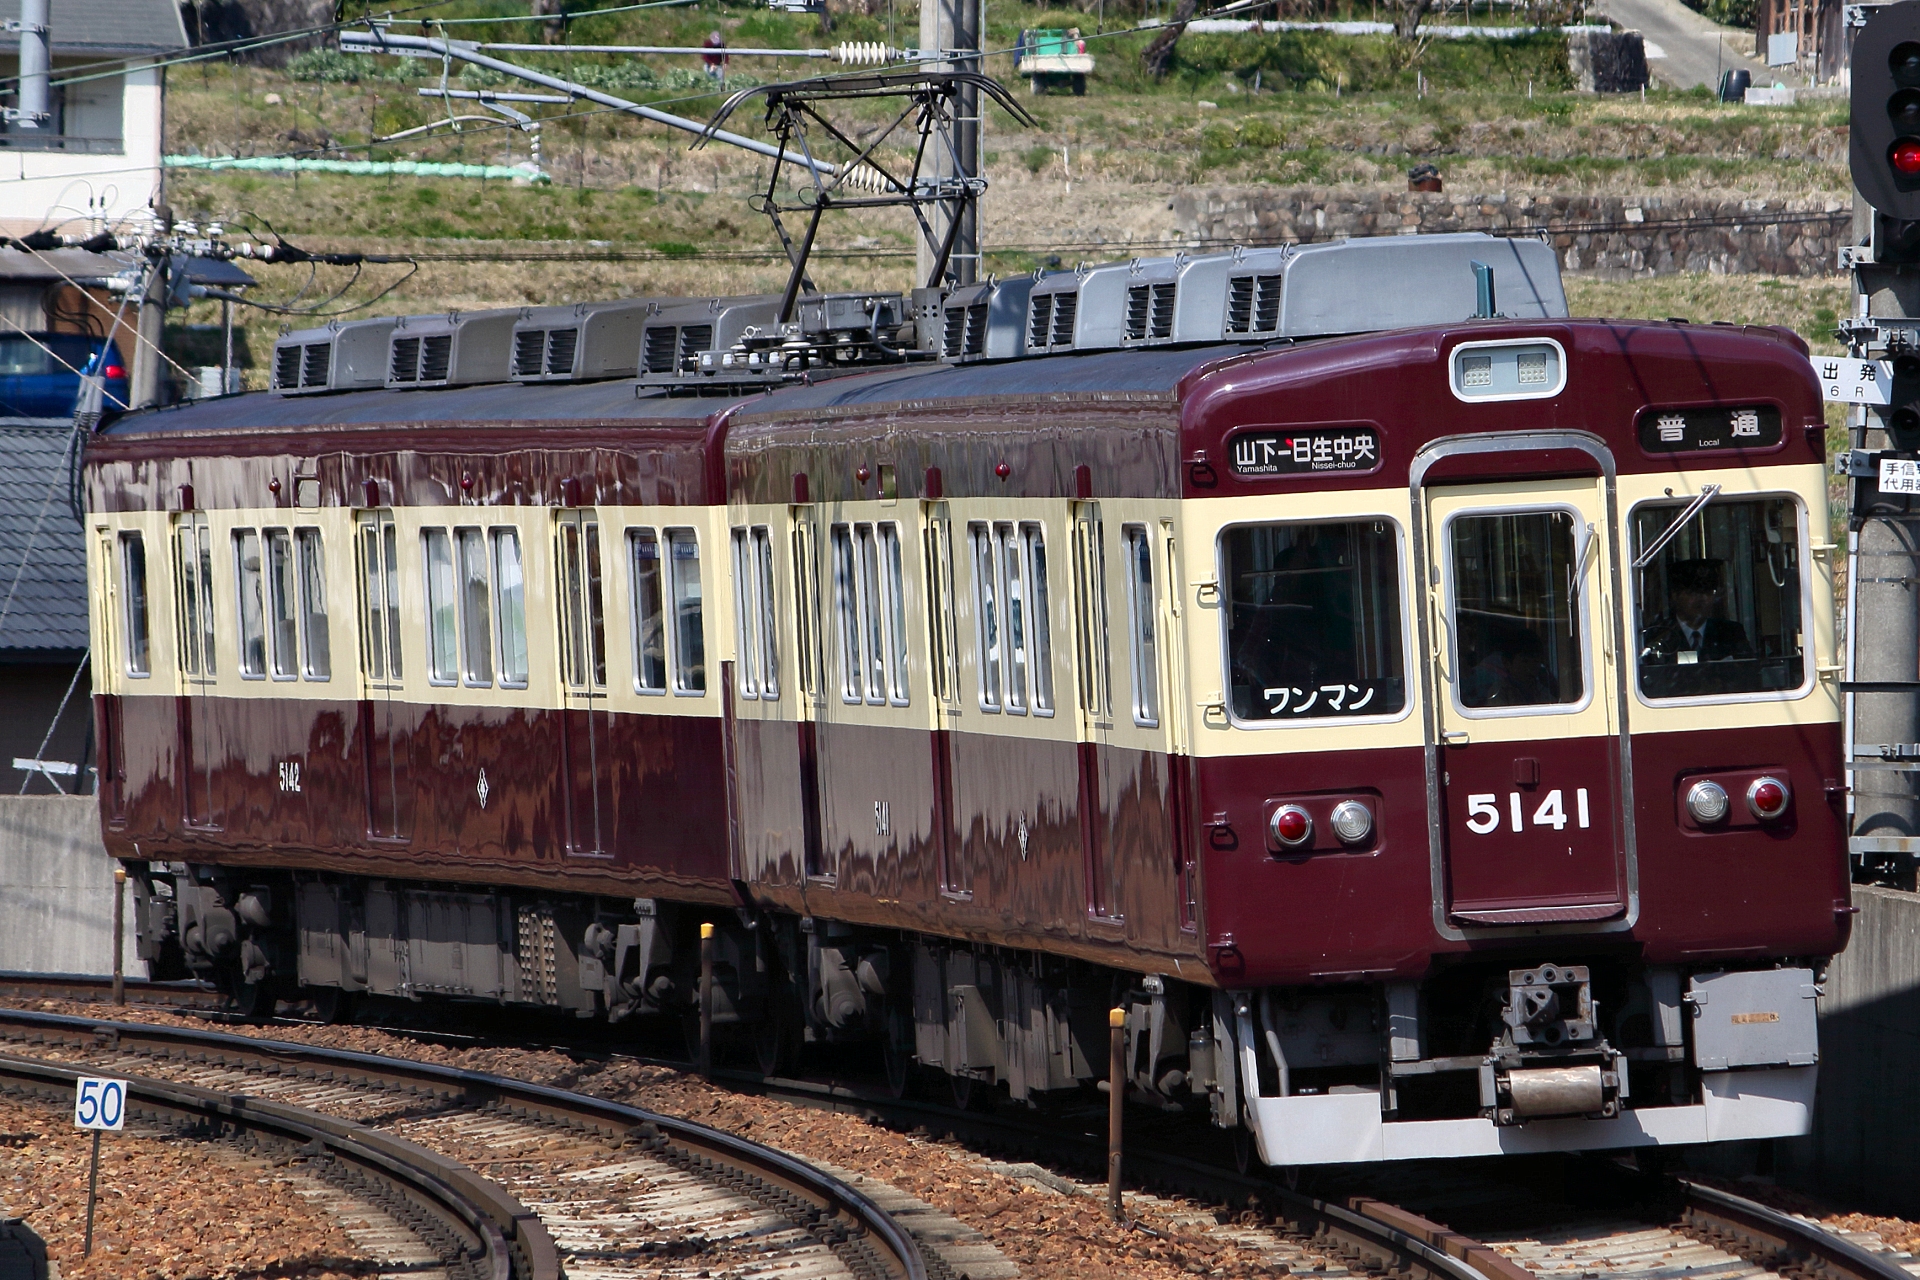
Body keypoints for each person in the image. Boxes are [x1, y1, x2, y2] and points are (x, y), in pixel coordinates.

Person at [1640, 559, 1752, 665]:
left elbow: (1747, 673)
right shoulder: (1658, 635)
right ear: (1675, 596)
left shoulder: (1731, 633)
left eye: (1707, 592)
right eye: (1692, 592)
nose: (1701, 599)